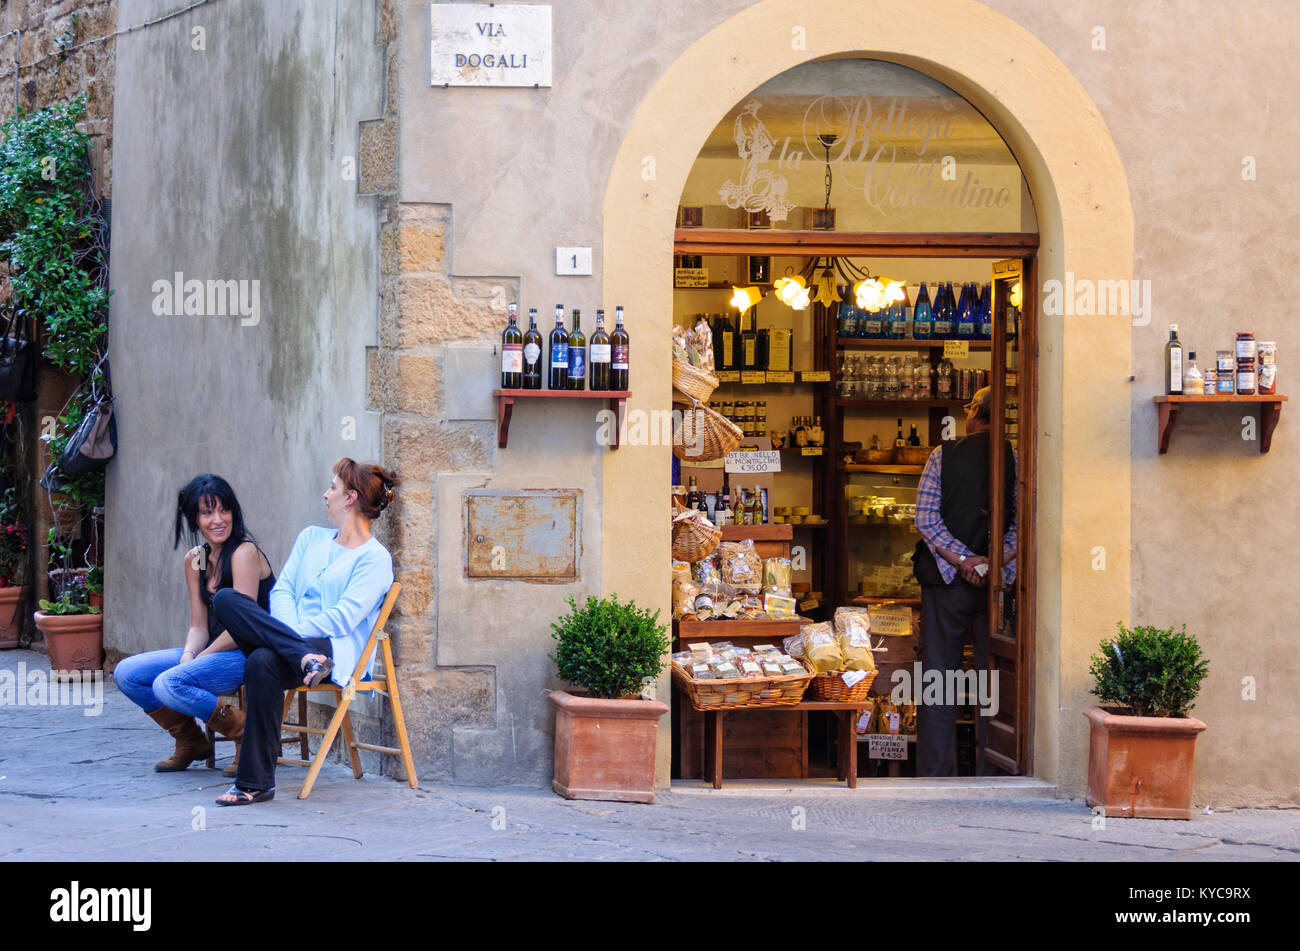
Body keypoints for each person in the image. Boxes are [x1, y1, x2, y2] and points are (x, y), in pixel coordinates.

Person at [211, 459, 397, 806]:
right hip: (306, 653)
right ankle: (302, 659)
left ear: (350, 498)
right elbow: (282, 592)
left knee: (262, 662)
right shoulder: (311, 537)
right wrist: (293, 641)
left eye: (332, 488)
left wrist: (283, 637)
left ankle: (253, 783)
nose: (325, 495)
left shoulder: (375, 559)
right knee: (225, 600)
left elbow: (342, 620)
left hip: (331, 648)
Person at [114, 475, 275, 773]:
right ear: (194, 519)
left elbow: (244, 624)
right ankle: (190, 741)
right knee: (127, 673)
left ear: (233, 512)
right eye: (207, 512)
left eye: (223, 510)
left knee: (167, 683)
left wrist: (202, 657)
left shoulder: (244, 553)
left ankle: (246, 735)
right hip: (211, 653)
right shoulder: (196, 560)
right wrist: (189, 654)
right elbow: (198, 625)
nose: (217, 520)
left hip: (249, 653)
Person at [911, 386, 1017, 776]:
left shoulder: (943, 455)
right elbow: (1023, 524)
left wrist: (963, 560)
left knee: (939, 676)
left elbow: (925, 519)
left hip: (945, 583)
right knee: (995, 680)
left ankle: (935, 774)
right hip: (997, 588)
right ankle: (995, 770)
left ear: (975, 414)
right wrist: (992, 562)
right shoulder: (1016, 460)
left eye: (969, 406)